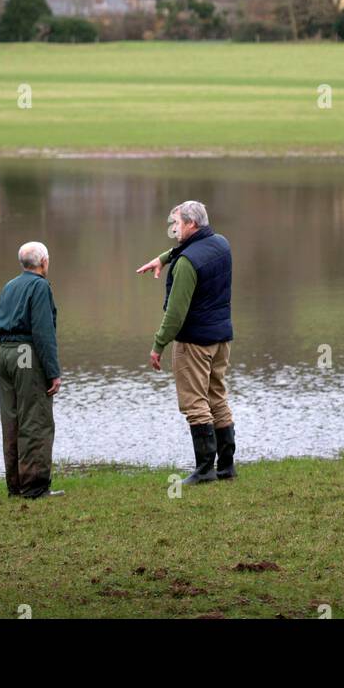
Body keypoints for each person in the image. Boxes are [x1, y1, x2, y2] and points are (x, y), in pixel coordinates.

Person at [137, 199, 235, 485]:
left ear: (191, 224)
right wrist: (163, 258)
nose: (174, 228)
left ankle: (205, 469)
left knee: (195, 403)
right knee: (217, 396)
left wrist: (158, 345)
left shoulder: (187, 264)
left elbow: (175, 314)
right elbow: (192, 249)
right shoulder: (221, 244)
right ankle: (226, 466)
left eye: (177, 223)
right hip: (221, 338)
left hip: (194, 342)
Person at [0, 240, 64, 499]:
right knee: (35, 418)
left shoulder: (9, 286)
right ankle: (34, 487)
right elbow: (43, 332)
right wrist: (53, 371)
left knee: (11, 419)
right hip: (26, 353)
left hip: (5, 354)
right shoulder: (40, 286)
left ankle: (15, 486)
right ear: (44, 262)